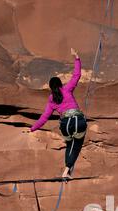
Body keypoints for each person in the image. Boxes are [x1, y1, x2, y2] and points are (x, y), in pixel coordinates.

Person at [29, 48, 87, 178]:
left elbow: (44, 118)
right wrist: (77, 57)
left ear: (50, 87)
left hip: (65, 124)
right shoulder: (67, 89)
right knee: (77, 145)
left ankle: (67, 169)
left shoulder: (51, 100)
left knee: (69, 145)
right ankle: (67, 170)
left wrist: (32, 128)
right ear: (60, 84)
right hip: (77, 120)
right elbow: (76, 75)